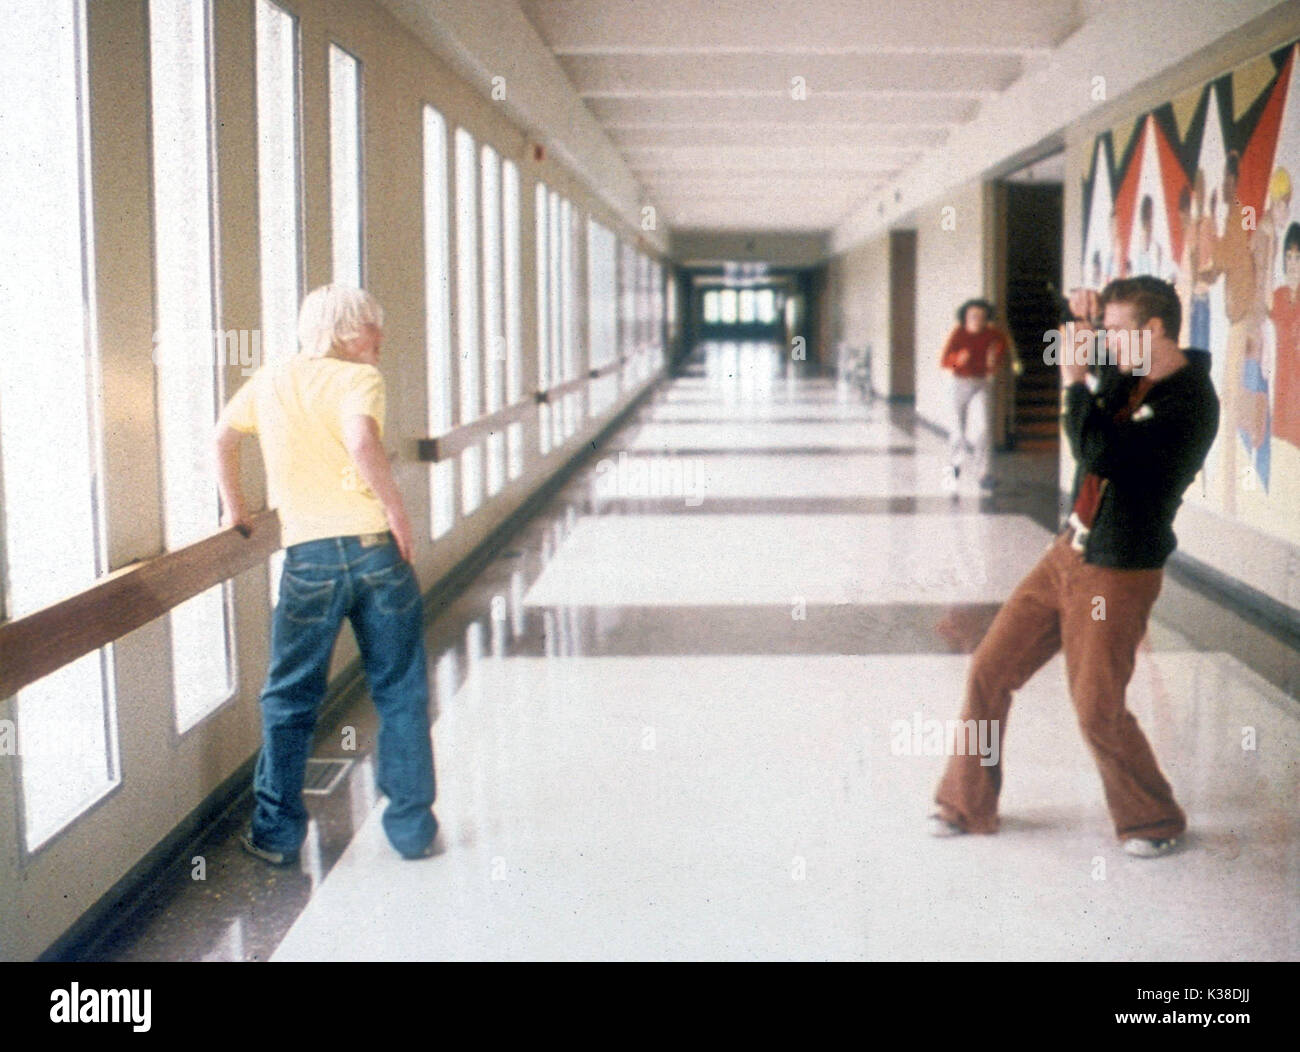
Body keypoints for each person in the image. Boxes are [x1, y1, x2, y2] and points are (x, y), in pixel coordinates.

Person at [928, 276, 1219, 857]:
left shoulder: (1189, 404)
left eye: (1115, 331)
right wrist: (1077, 319)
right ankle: (966, 801)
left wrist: (1073, 383)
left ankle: (1152, 821)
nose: (1107, 343)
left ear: (1154, 330)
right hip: (1067, 551)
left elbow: (1099, 452)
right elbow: (1100, 397)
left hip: (1117, 570)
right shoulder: (1130, 373)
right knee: (989, 670)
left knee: (1096, 708)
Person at [214, 284, 438, 864]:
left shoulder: (269, 379)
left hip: (309, 557)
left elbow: (222, 436)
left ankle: (275, 834)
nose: (380, 339)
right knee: (399, 687)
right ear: (342, 332)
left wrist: (234, 509)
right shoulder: (359, 379)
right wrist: (395, 509)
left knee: (289, 696)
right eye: (371, 328)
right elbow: (362, 440)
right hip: (374, 553)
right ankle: (411, 831)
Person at [939, 298, 1010, 492]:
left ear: (986, 318)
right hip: (959, 382)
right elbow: (945, 360)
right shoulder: (958, 334)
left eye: (981, 316)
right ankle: (954, 466)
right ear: (965, 317)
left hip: (981, 383)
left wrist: (994, 360)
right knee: (957, 427)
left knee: (983, 428)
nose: (977, 320)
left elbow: (1001, 354)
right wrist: (958, 360)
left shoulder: (994, 335)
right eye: (973, 316)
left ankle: (984, 473)